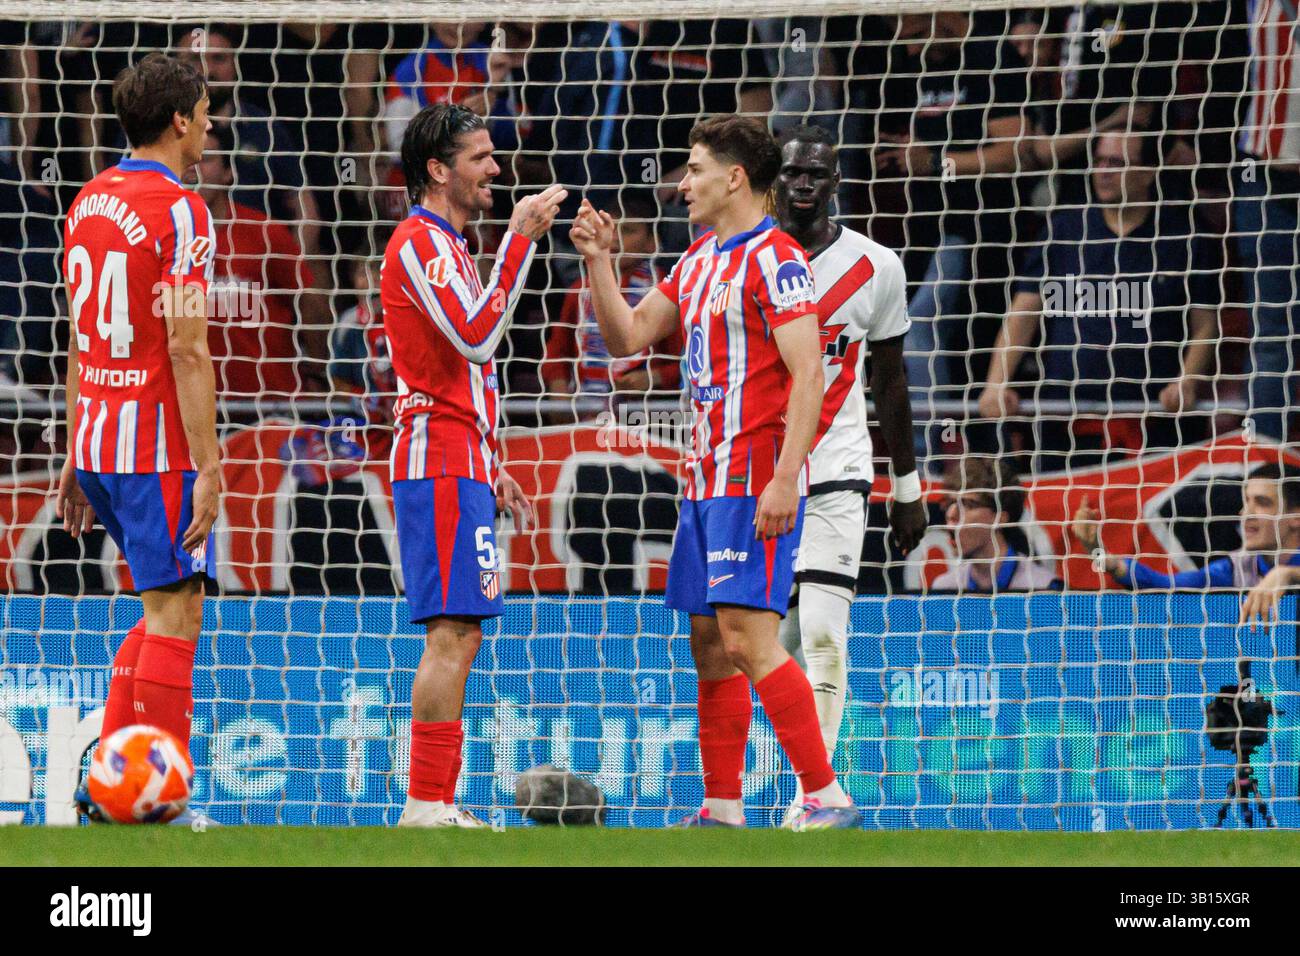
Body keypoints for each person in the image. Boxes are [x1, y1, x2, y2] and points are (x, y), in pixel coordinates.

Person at [572, 114, 861, 830]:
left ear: (735, 177)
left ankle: (825, 795)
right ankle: (723, 806)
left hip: (751, 472)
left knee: (747, 639)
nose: (684, 182)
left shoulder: (777, 260)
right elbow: (627, 337)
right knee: (708, 642)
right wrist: (600, 262)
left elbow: (808, 374)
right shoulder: (700, 258)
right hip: (702, 480)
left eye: (695, 168)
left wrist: (788, 476)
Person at [381, 102, 565, 828]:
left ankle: (436, 802)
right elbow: (477, 337)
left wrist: (491, 459)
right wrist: (518, 244)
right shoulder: (421, 243)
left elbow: (460, 367)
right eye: (481, 157)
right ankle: (426, 805)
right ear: (437, 170)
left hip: (461, 455)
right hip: (436, 457)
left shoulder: (449, 245)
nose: (496, 169)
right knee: (451, 634)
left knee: (462, 632)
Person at [56, 52, 221, 825]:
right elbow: (188, 346)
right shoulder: (183, 210)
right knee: (175, 613)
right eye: (207, 109)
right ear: (180, 119)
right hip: (153, 450)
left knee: (157, 607)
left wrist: (69, 449)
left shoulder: (86, 201)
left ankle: (107, 793)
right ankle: (160, 804)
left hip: (96, 437)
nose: (213, 123)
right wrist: (211, 466)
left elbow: (80, 338)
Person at [771, 124, 927, 824]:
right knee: (764, 644)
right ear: (772, 178)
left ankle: (815, 798)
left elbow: (891, 382)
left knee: (827, 636)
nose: (804, 183)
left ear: (836, 182)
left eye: (817, 173)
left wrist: (909, 487)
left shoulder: (876, 266)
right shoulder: (740, 258)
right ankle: (728, 792)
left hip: (838, 466)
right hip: (756, 474)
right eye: (793, 172)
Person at [978, 129, 1221, 474]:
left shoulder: (1185, 236)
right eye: (1100, 161)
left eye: (1118, 163)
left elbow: (1205, 323)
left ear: (1149, 171)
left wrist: (1188, 379)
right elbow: (1023, 314)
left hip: (1153, 422)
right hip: (1066, 423)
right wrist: (996, 382)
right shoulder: (1063, 229)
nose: (1104, 171)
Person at [194, 126, 330, 396]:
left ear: (228, 173)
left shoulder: (264, 233)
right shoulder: (160, 238)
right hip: (190, 407)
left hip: (268, 404)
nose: (193, 170)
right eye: (187, 160)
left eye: (206, 159)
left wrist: (317, 370)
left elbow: (308, 301)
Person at [541, 192, 680, 421]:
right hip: (583, 416)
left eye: (628, 231)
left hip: (649, 419)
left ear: (652, 242)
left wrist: (653, 378)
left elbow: (682, 359)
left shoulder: (666, 289)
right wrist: (560, 397)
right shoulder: (579, 290)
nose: (615, 238)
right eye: (612, 228)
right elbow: (558, 350)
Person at [1075, 463, 1300, 603]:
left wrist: (1288, 574)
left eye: (1262, 503)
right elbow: (1164, 584)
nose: (1245, 513)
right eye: (1246, 501)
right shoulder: (1237, 567)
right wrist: (1102, 555)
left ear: (1295, 518)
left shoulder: (1288, 569)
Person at [928, 457, 1060, 593]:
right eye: (949, 503)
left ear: (1000, 518)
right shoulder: (944, 588)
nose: (951, 513)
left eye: (968, 505)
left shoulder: (1043, 587)